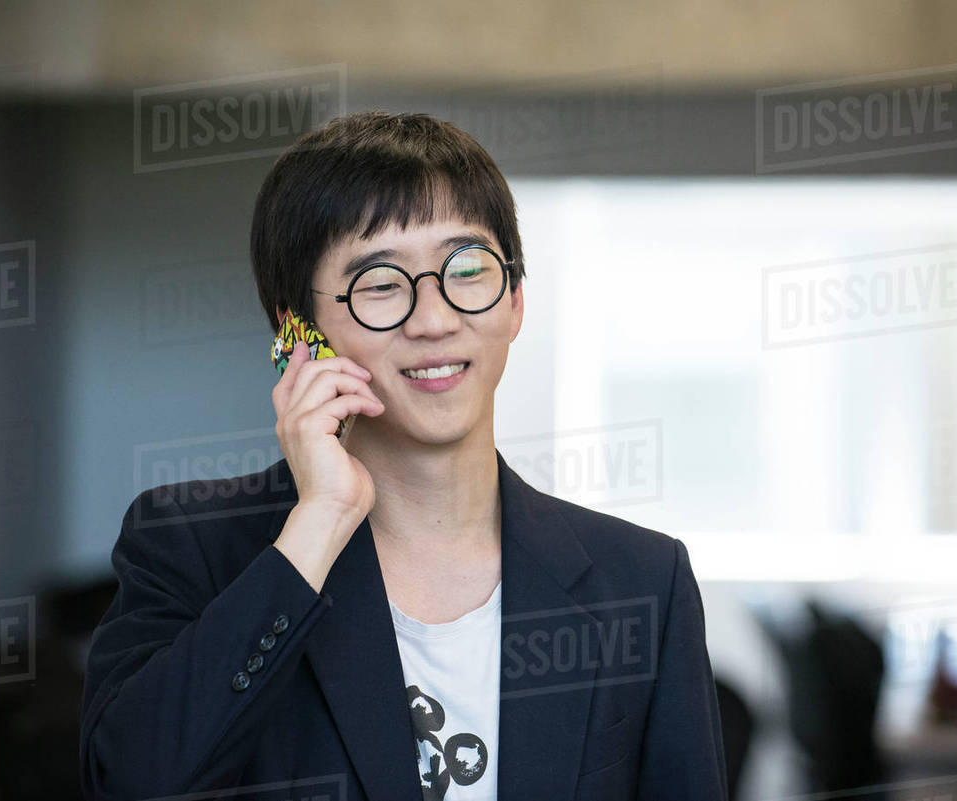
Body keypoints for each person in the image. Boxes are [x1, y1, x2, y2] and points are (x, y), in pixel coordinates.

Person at [79, 110, 728, 801]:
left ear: (514, 298)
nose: (435, 319)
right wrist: (319, 522)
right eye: (382, 284)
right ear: (295, 330)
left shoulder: (641, 582)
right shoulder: (192, 544)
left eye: (467, 268)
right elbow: (129, 782)